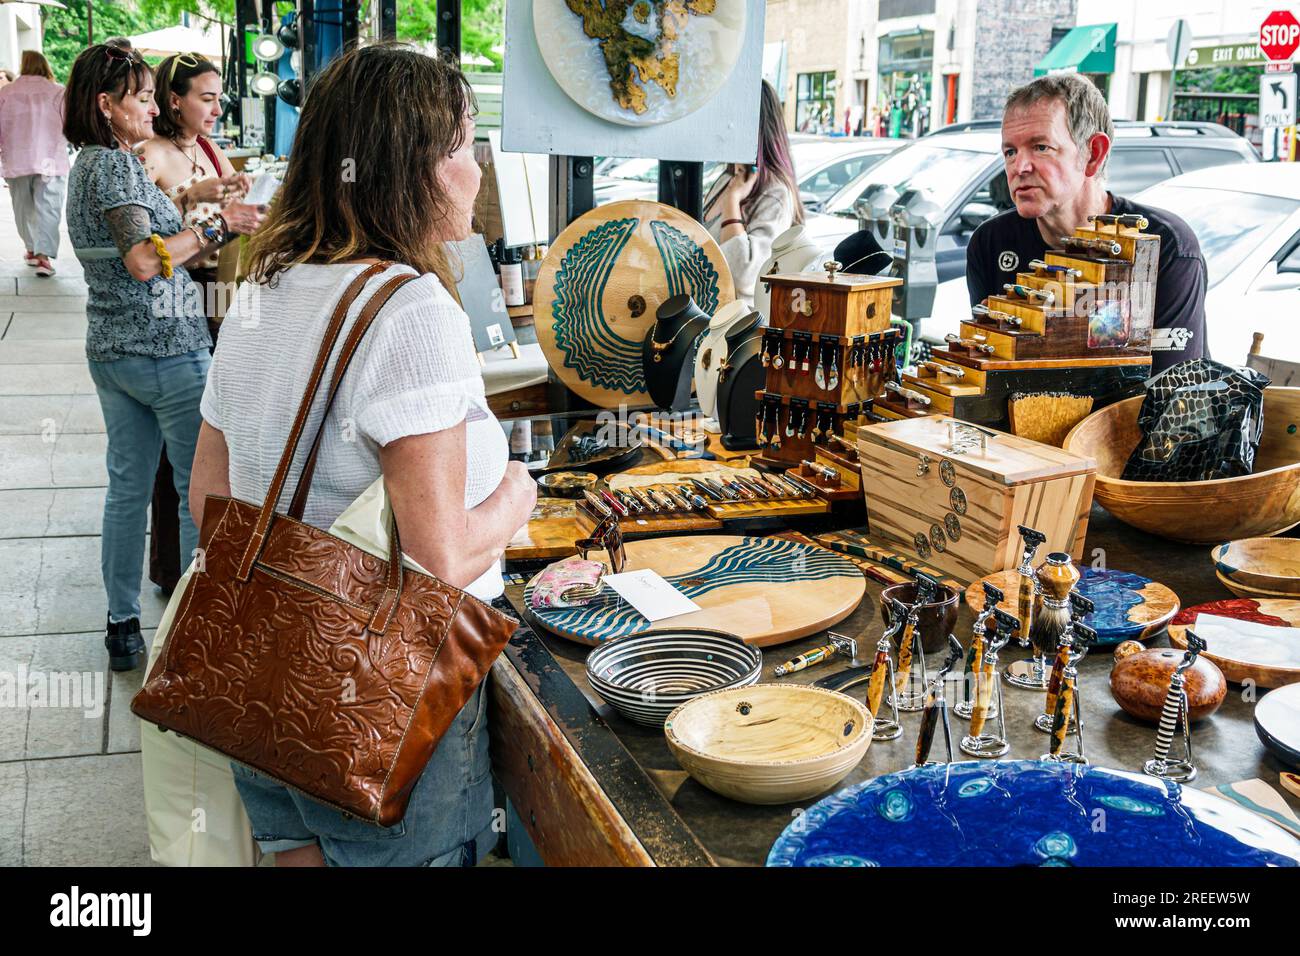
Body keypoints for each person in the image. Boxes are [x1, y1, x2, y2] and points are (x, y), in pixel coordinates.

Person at [186, 42, 536, 867]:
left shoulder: (262, 291)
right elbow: (436, 560)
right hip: (382, 693)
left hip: (261, 674)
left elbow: (209, 501)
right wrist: (518, 494)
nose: (476, 170)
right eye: (461, 145)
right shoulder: (412, 310)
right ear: (405, 166)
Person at [62, 44, 264, 672]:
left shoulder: (88, 166)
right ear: (107, 105)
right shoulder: (118, 169)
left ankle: (123, 624)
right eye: (142, 97)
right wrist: (219, 225)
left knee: (126, 488)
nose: (153, 107)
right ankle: (198, 625)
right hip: (167, 348)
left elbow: (140, 229)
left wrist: (195, 199)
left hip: (111, 348)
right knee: (197, 488)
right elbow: (146, 259)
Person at [966, 74, 1206, 372]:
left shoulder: (1164, 245)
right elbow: (989, 367)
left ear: (1093, 154)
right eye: (1010, 152)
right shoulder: (991, 243)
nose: (1019, 167)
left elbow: (1173, 391)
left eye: (1041, 147)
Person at [139, 52, 249, 595]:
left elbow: (231, 215)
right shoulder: (149, 153)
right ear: (174, 99)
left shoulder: (210, 148)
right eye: (205, 97)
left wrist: (239, 191)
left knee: (212, 436)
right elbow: (138, 236)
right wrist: (187, 195)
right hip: (177, 304)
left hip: (222, 299)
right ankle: (171, 566)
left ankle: (208, 557)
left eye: (217, 96)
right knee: (178, 443)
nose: (215, 106)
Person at [701, 79, 802, 309]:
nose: (722, 126)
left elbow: (745, 276)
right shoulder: (727, 179)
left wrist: (732, 202)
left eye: (730, 117)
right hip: (703, 317)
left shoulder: (775, 193)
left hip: (735, 330)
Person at [0, 51, 69, 276]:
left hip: (17, 158)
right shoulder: (59, 92)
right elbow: (70, 125)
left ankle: (31, 248)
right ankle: (43, 257)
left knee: (22, 207)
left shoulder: (7, 92)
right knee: (48, 207)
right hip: (52, 159)